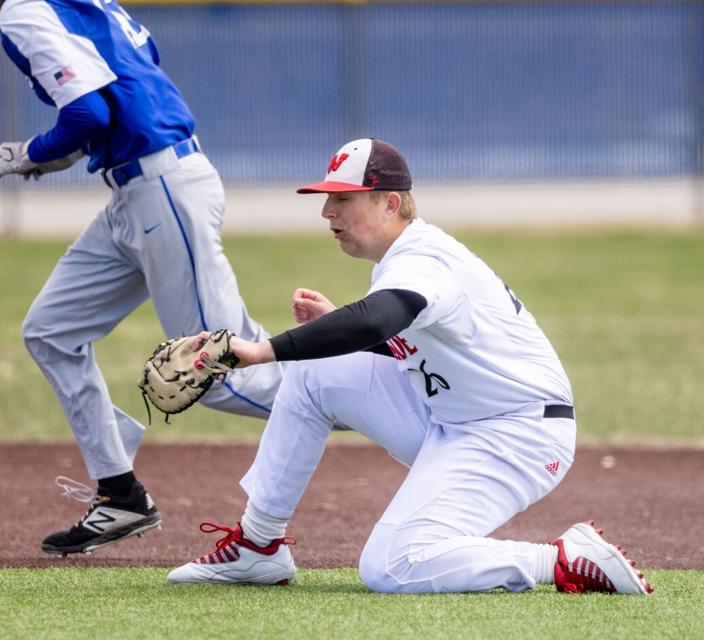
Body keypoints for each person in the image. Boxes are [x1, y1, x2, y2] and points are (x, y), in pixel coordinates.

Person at [0, 0, 284, 556]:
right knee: (51, 332)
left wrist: (30, 152)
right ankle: (120, 495)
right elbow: (120, 87)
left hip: (162, 187)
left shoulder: (24, 9)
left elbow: (86, 109)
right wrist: (52, 153)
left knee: (221, 377)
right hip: (136, 190)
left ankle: (382, 395)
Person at [168, 138, 653, 595]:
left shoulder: (424, 259)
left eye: (344, 198)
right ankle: (257, 545)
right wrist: (342, 324)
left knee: (391, 565)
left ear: (390, 203)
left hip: (515, 436)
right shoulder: (407, 258)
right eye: (327, 199)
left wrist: (259, 351)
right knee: (313, 372)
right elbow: (414, 337)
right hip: (454, 416)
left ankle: (562, 558)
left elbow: (378, 316)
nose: (326, 212)